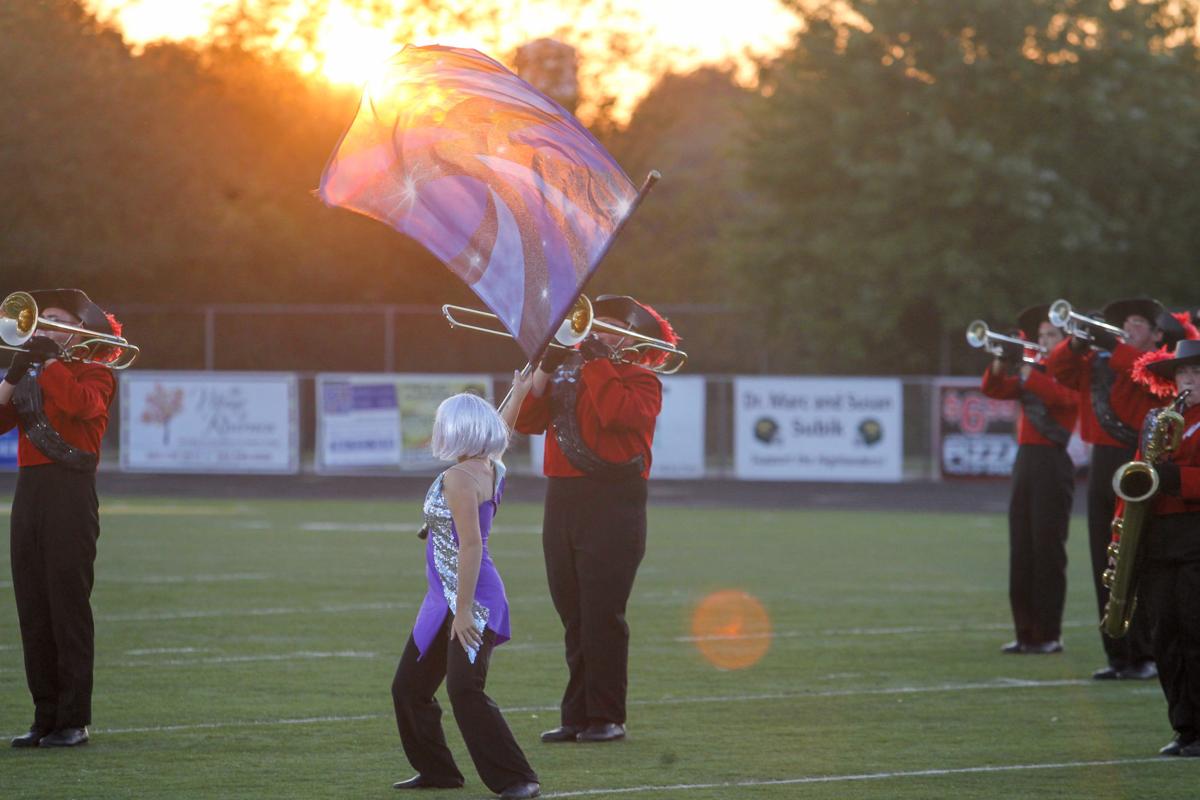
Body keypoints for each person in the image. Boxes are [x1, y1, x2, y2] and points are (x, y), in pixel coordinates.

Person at [514, 295, 678, 744]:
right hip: (562, 498)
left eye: (607, 328)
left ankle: (607, 716)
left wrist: (598, 362)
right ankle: (576, 716)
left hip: (614, 502)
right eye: (592, 326)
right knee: (572, 613)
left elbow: (617, 416)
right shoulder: (567, 371)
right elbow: (525, 421)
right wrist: (545, 368)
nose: (594, 334)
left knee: (602, 613)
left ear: (628, 338)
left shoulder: (641, 380)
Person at [390, 384, 541, 799]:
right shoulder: (490, 466)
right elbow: (504, 428)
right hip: (444, 600)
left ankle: (518, 779)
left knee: (464, 688)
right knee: (409, 688)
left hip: (469, 599)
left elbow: (470, 546)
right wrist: (522, 390)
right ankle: (438, 771)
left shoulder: (459, 478)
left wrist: (462, 612)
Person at [0, 289, 121, 748]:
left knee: (67, 607)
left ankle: (73, 720)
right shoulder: (31, 372)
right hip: (28, 491)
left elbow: (78, 406)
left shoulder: (96, 372)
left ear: (77, 329)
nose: (42, 325)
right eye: (41, 319)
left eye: (53, 320)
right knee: (33, 609)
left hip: (70, 493)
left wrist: (48, 365)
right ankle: (44, 718)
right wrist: (14, 375)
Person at [1046, 297, 1165, 680]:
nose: (1128, 329)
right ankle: (1117, 653)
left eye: (1136, 323)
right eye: (1122, 324)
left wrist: (1115, 345)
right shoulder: (1097, 363)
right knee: (1105, 558)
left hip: (1137, 461)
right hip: (1102, 464)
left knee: (1138, 555)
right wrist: (1078, 342)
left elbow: (1147, 379)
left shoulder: (1159, 363)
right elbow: (1057, 369)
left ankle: (1145, 653)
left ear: (1155, 332)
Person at [980, 305, 1078, 654]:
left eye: (1052, 336)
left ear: (1065, 340)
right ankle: (1025, 632)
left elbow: (1063, 399)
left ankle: (1049, 634)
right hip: (1025, 460)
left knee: (1047, 549)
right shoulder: (1030, 371)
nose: (1045, 342)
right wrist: (1000, 359)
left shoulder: (1068, 371)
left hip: (1052, 461)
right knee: (1021, 547)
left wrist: (1027, 370)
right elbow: (993, 389)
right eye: (1041, 336)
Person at [1125, 339, 1200, 756]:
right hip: (1159, 537)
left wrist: (1175, 479)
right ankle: (1184, 728)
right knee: (1165, 635)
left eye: (1197, 373)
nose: (1189, 381)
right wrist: (1123, 537)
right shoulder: (1158, 419)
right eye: (1183, 374)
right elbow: (1137, 477)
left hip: (1196, 534)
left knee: (1195, 630)